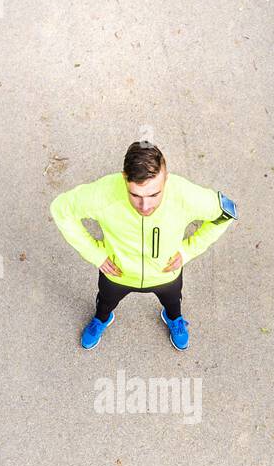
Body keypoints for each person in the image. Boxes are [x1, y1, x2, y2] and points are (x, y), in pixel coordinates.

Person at [49, 141, 234, 350]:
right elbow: (61, 209)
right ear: (124, 179)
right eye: (135, 195)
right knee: (104, 303)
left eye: (154, 195)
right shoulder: (103, 193)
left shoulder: (184, 195)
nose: (145, 206)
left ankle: (174, 319)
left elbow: (225, 214)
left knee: (173, 303)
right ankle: (101, 319)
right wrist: (95, 254)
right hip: (117, 274)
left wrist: (188, 250)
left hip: (166, 275)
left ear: (166, 179)